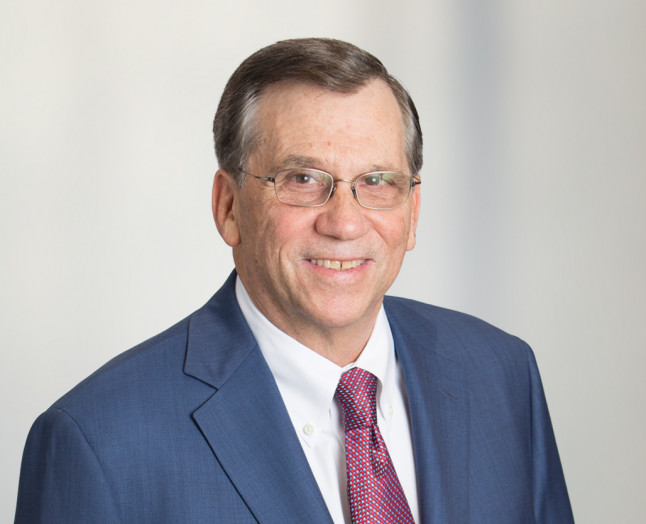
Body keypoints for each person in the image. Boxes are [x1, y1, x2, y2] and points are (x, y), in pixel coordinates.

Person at [15, 38, 574, 523]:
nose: (344, 223)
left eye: (376, 181)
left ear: (412, 211)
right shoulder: (97, 442)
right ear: (229, 207)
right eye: (303, 179)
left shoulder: (501, 375)